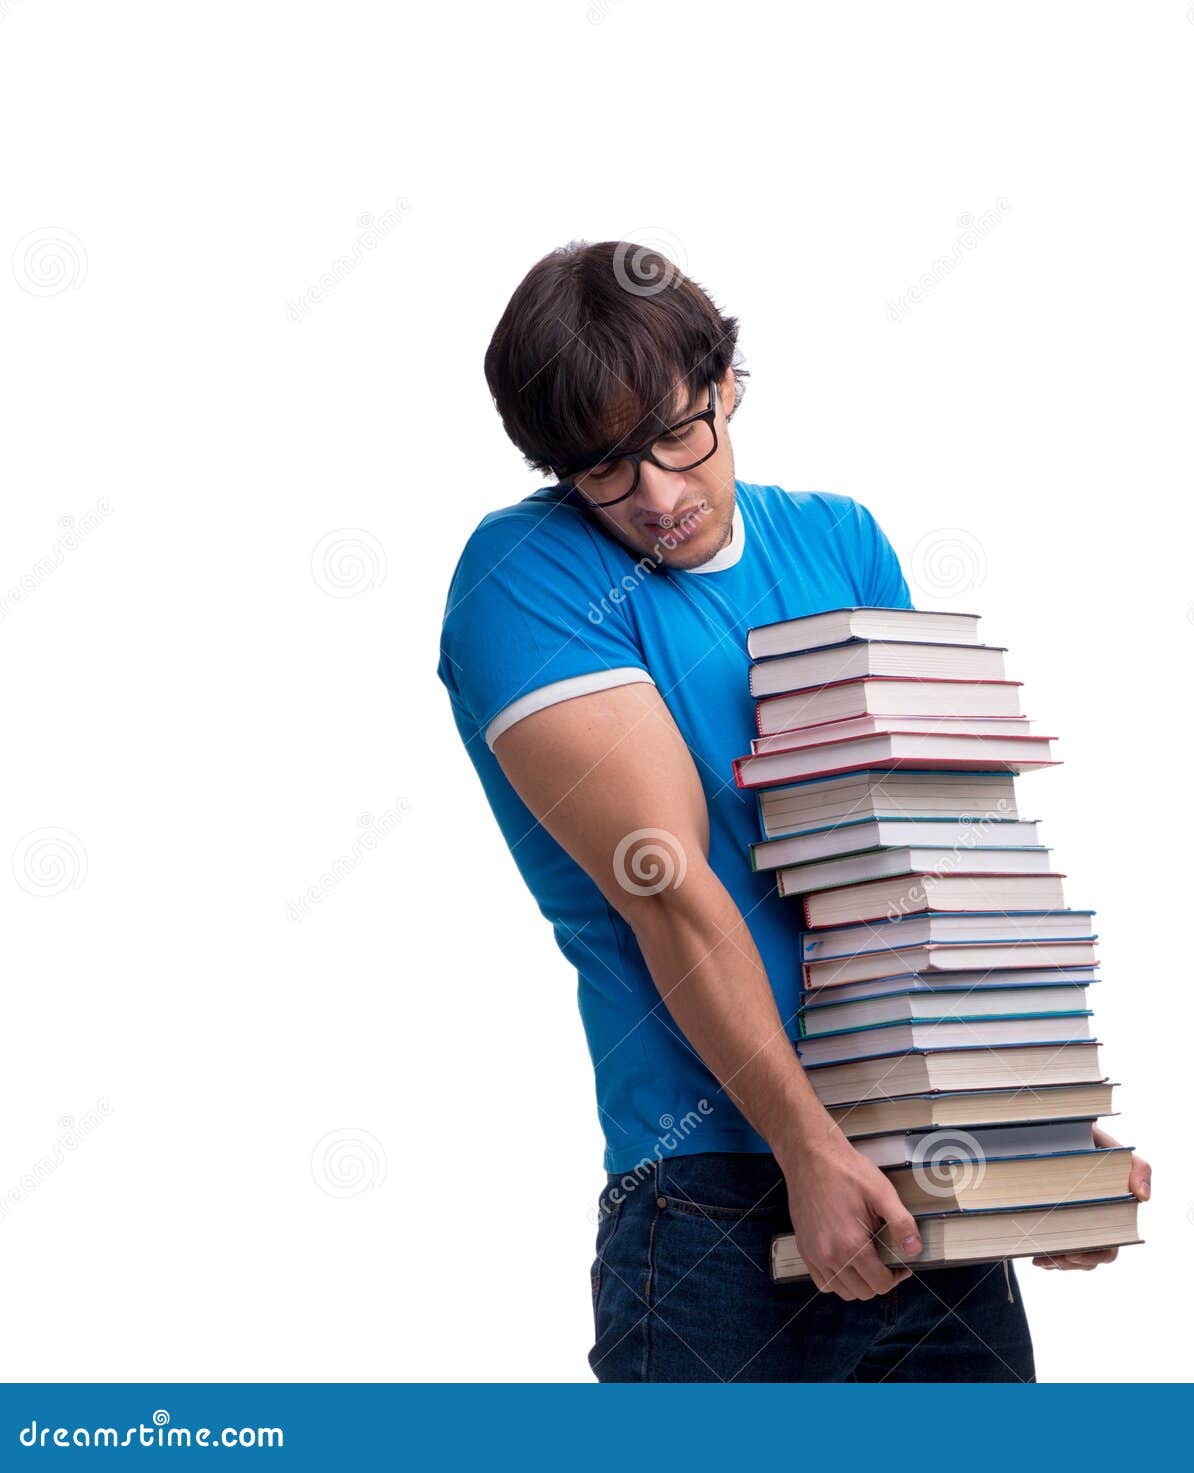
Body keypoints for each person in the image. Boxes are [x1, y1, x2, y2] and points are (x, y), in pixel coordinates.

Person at [437, 240, 1152, 1382]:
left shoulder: (840, 541)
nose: (657, 497)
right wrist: (806, 1148)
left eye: (678, 435)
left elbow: (928, 865)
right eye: (606, 471)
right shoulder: (527, 570)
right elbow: (662, 884)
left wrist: (1028, 1136)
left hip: (920, 1153)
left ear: (727, 385)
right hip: (710, 1187)